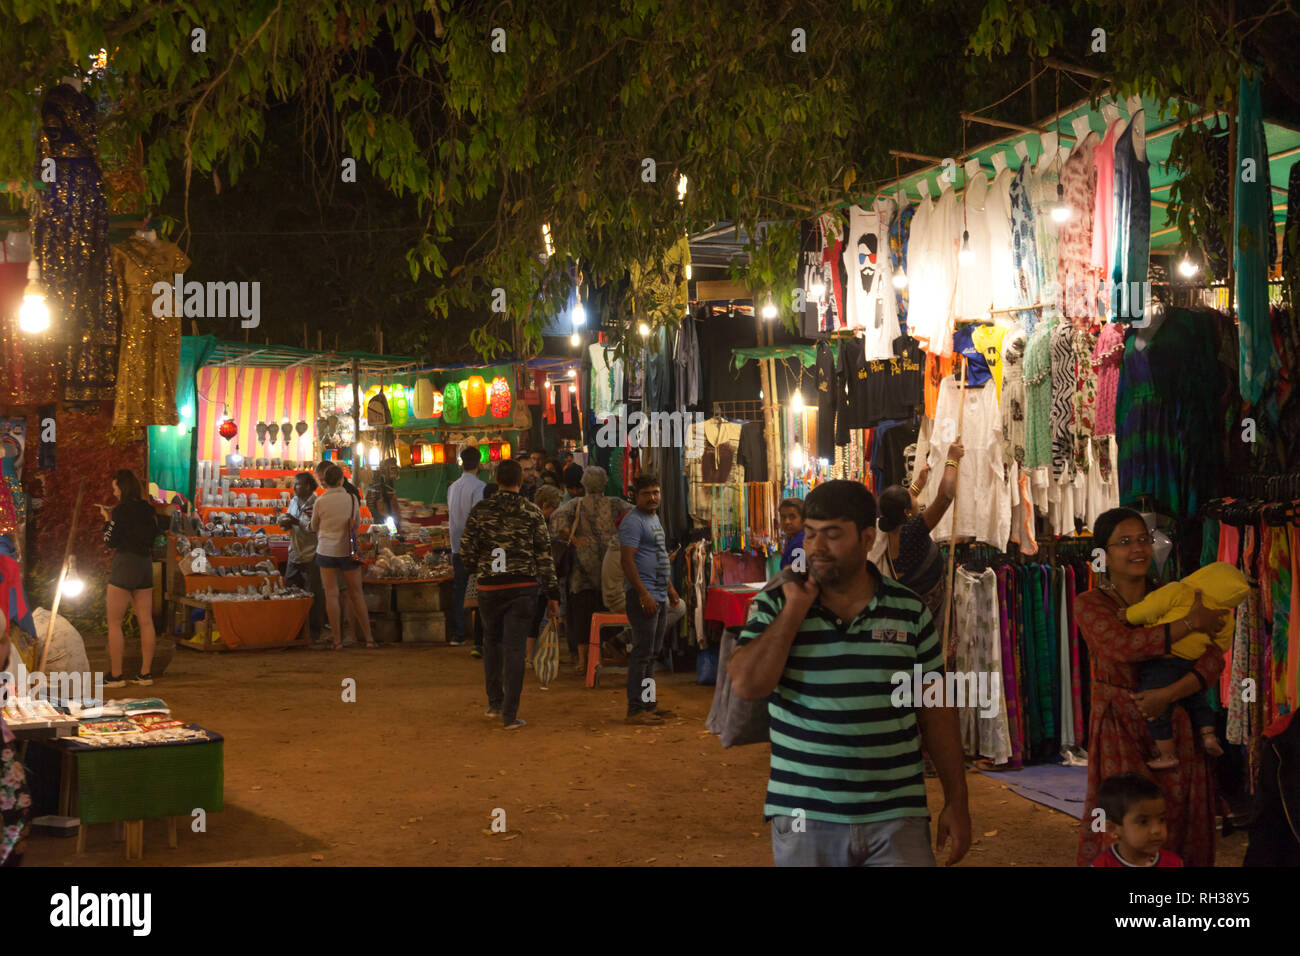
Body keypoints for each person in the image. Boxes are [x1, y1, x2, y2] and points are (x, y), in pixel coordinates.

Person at [726, 479, 970, 867]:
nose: (817, 548)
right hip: (805, 814)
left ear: (867, 537)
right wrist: (793, 612)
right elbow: (747, 684)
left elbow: (937, 712)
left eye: (832, 535)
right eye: (811, 535)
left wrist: (958, 802)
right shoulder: (775, 602)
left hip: (897, 815)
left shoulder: (909, 611)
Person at [1074, 507, 1229, 867]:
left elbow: (1213, 657)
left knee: (1178, 818)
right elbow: (1122, 647)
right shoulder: (1091, 603)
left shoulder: (1176, 594)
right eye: (1125, 542)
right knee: (1125, 820)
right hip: (1119, 728)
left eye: (1144, 539)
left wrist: (1167, 696)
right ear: (1103, 554)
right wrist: (1191, 623)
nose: (1138, 549)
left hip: (1175, 726)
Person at [459, 458, 560, 730]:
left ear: (497, 480)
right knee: (515, 648)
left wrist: (479, 569)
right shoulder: (531, 512)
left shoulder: (481, 511)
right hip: (522, 588)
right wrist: (553, 594)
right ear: (520, 481)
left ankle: (495, 702)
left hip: (489, 588)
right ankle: (510, 714)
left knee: (492, 643)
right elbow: (544, 556)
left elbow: (465, 551)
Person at [1122, 562, 1246, 768]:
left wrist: (1127, 615)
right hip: (1191, 663)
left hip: (1165, 660)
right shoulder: (1225, 614)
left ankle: (1167, 754)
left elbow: (1148, 609)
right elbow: (1220, 647)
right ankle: (1208, 735)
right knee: (1197, 700)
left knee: (1153, 704)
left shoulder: (1179, 591)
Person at [876, 441, 964, 650]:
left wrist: (920, 482)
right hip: (927, 617)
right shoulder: (911, 532)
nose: (916, 499)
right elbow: (944, 497)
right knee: (929, 662)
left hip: (909, 616)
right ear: (907, 513)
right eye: (912, 500)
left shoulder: (887, 528)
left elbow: (907, 500)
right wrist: (952, 460)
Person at [552, 466, 632, 676]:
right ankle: (606, 653)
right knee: (608, 611)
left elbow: (557, 520)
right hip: (609, 568)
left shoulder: (574, 505)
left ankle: (582, 660)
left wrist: (573, 537)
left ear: (584, 484)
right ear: (604, 483)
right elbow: (636, 515)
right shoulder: (615, 504)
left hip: (581, 570)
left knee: (581, 615)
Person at [619, 474, 680, 724]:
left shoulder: (654, 518)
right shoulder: (632, 522)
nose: (653, 497)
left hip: (658, 594)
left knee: (652, 653)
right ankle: (635, 710)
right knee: (642, 654)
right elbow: (627, 560)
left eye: (656, 492)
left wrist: (670, 589)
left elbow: (657, 555)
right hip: (643, 595)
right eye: (647, 493)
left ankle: (649, 704)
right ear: (635, 495)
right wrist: (644, 593)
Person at [99, 469, 164, 686]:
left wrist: (108, 520)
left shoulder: (120, 511)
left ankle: (116, 675)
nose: (114, 492)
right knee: (145, 621)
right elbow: (156, 533)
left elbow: (110, 541)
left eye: (115, 487)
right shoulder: (148, 509)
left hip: (125, 564)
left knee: (115, 623)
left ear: (122, 487)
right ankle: (145, 674)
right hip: (145, 564)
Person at [311, 464, 376, 650]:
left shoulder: (320, 501)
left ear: (325, 481)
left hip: (326, 550)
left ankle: (337, 640)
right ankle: (369, 639)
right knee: (356, 594)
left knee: (331, 594)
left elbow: (314, 526)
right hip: (348, 551)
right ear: (341, 480)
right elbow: (355, 524)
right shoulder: (352, 499)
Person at [1091, 773, 1184, 867]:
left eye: (1161, 819)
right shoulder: (1103, 864)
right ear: (1113, 828)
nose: (1157, 830)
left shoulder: (1174, 863)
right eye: (1143, 822)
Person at [279, 472, 326, 643]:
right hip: (295, 553)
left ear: (307, 486)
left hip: (311, 553)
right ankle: (294, 630)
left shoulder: (316, 503)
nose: (294, 487)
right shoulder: (293, 501)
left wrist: (296, 521)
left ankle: (314, 632)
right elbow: (288, 521)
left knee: (313, 595)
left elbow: (314, 528)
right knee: (291, 591)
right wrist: (285, 523)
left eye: (298, 484)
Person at [447, 448, 486, 647]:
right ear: (478, 464)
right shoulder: (480, 487)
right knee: (479, 590)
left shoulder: (453, 487)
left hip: (456, 545)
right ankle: (478, 637)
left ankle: (458, 634)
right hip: (474, 547)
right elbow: (478, 518)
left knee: (460, 589)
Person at [528, 484, 564, 667]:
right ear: (545, 505)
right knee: (536, 618)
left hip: (536, 578)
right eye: (554, 508)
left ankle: (532, 657)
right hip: (537, 577)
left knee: (536, 618)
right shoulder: (537, 522)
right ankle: (533, 657)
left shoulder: (531, 517)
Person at [777, 497, 805, 570]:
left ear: (803, 519)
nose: (787, 522)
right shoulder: (794, 538)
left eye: (792, 517)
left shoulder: (800, 542)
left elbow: (797, 575)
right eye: (783, 517)